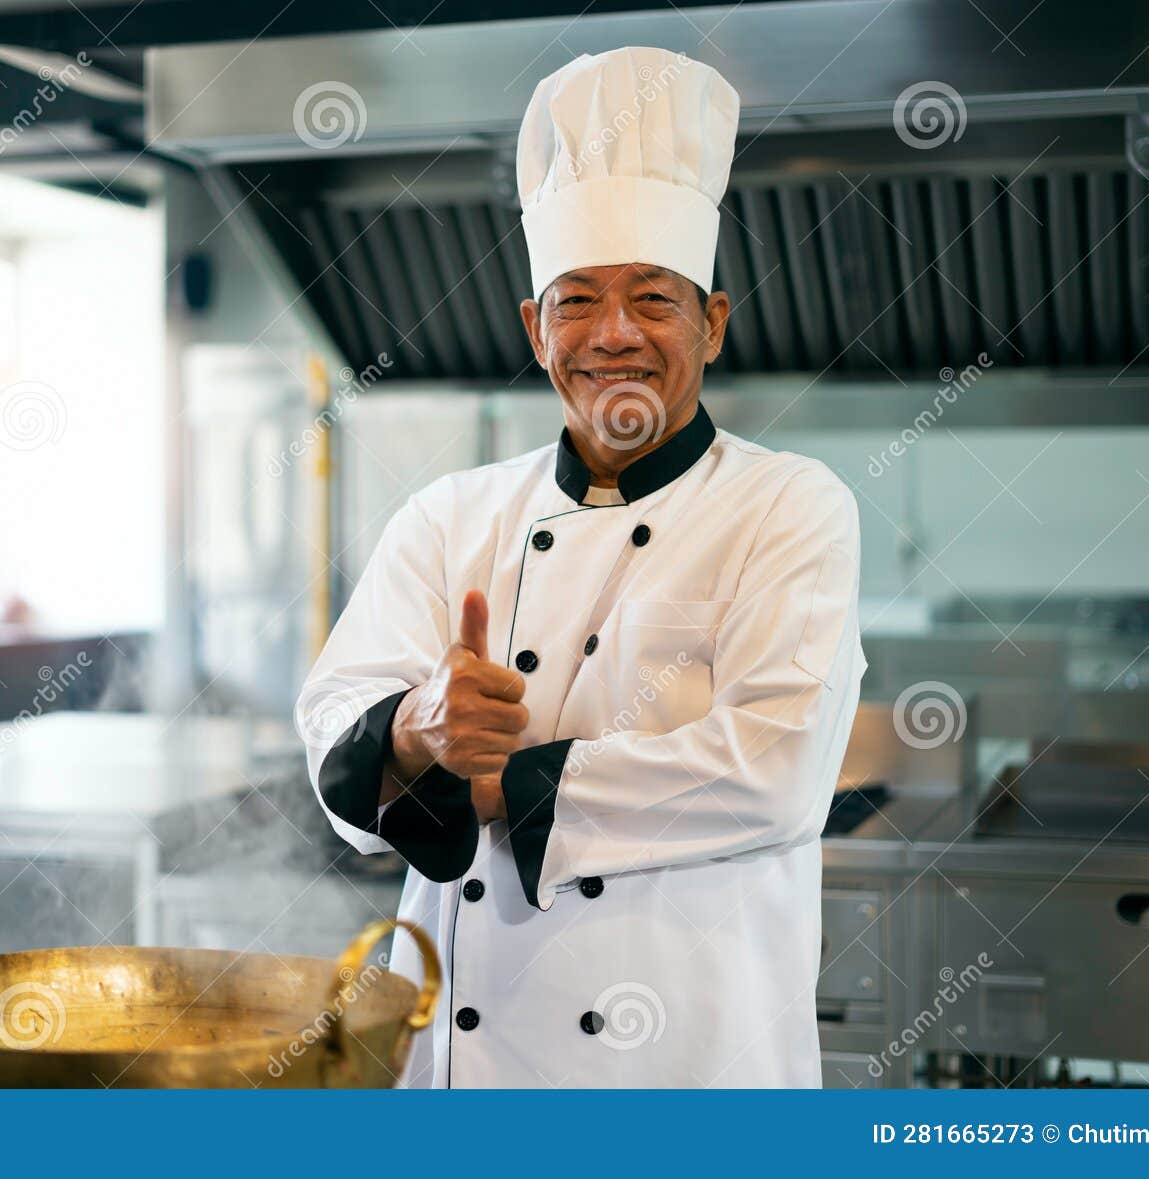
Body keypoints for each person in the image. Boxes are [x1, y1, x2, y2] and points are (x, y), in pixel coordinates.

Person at [297, 45, 865, 1087]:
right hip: (468, 1073)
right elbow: (336, 731)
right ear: (532, 327)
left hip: (691, 1072)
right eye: (576, 301)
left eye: (653, 299)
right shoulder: (450, 514)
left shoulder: (788, 506)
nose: (613, 336)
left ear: (714, 322)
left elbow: (773, 775)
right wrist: (416, 728)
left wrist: (487, 785)